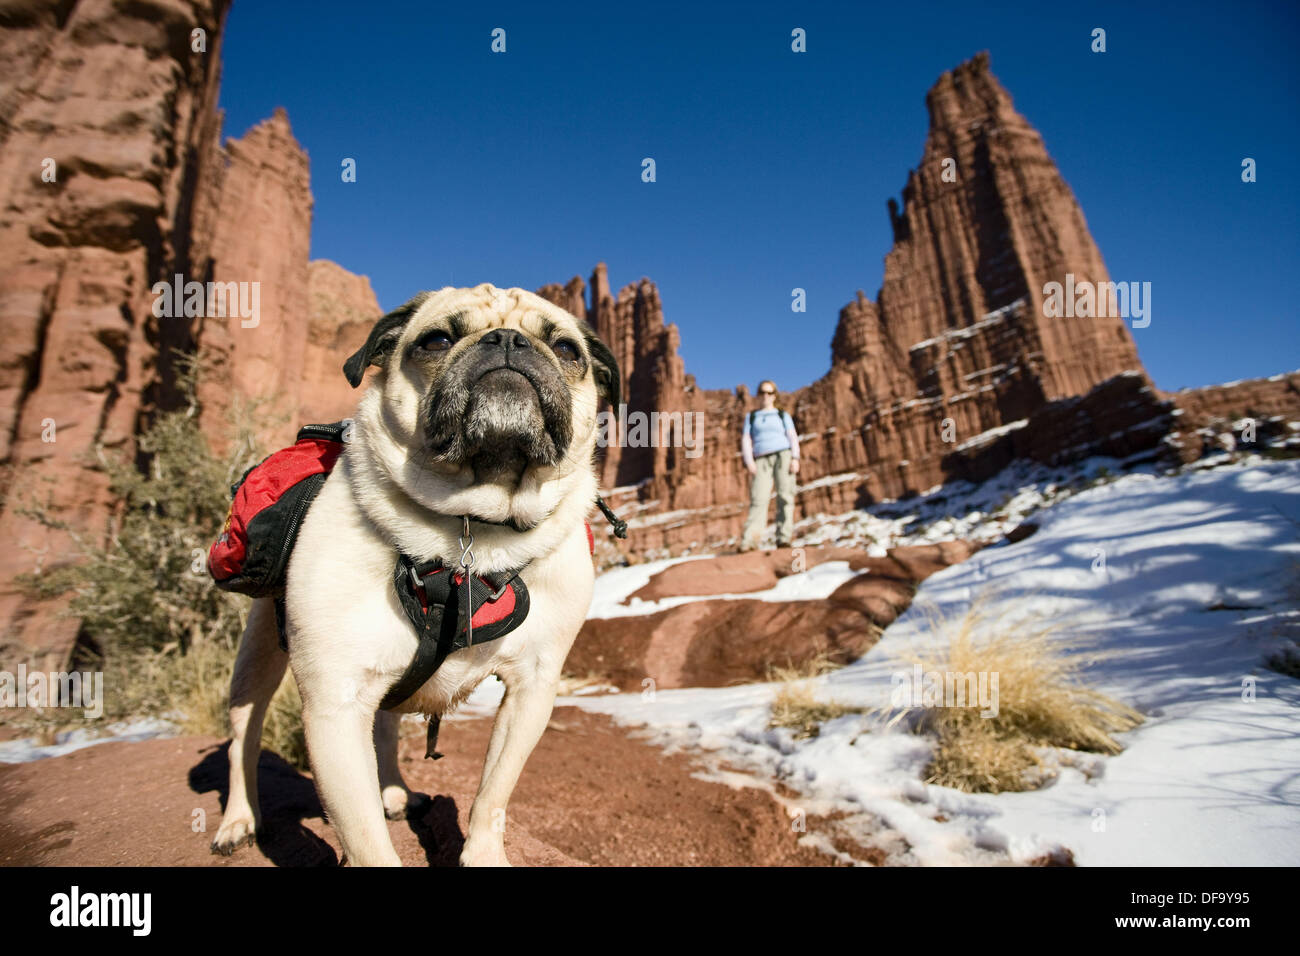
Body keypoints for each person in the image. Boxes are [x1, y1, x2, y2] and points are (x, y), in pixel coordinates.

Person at [740, 379, 800, 551]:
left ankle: (784, 538)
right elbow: (746, 440)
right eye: (762, 392)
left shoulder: (782, 415)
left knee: (785, 496)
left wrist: (795, 458)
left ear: (774, 396)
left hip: (783, 455)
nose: (765, 396)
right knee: (759, 499)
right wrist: (749, 461)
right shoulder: (751, 417)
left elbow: (792, 436)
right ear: (758, 395)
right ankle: (750, 541)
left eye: (769, 392)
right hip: (760, 460)